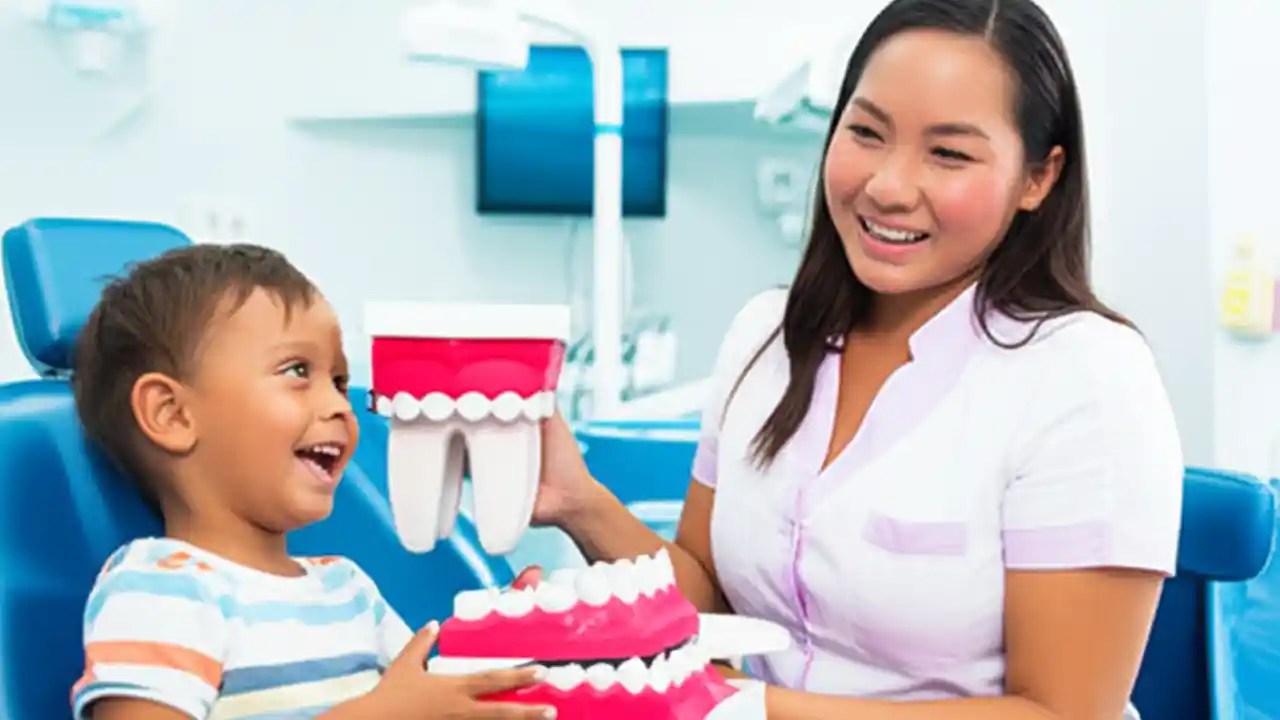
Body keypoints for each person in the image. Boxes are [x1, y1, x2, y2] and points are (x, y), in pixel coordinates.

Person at [525, 0, 1183, 718]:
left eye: (949, 153)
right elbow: (708, 600)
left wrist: (746, 707)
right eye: (866, 132)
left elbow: (1062, 712)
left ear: (1039, 177)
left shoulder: (1085, 378)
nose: (888, 187)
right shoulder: (766, 337)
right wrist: (577, 502)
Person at [69, 245, 556, 720]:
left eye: (340, 382)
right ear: (172, 414)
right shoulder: (161, 591)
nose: (340, 406)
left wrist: (490, 638)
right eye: (297, 371)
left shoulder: (347, 588)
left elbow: (419, 696)